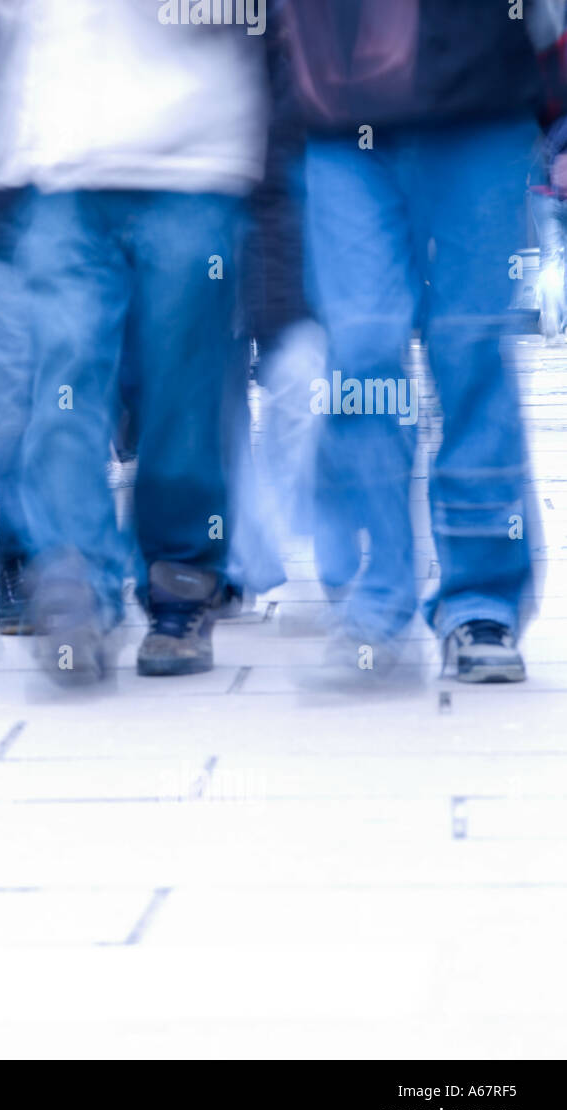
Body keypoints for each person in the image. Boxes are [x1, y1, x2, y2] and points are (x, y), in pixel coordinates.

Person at [0, 0, 267, 684]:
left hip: (191, 160)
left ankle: (180, 583)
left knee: (182, 399)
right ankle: (76, 581)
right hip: (57, 167)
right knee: (62, 380)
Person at [285, 0, 543, 683]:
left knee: (470, 351)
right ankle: (379, 591)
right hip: (335, 115)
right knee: (361, 346)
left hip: (478, 98)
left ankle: (481, 602)